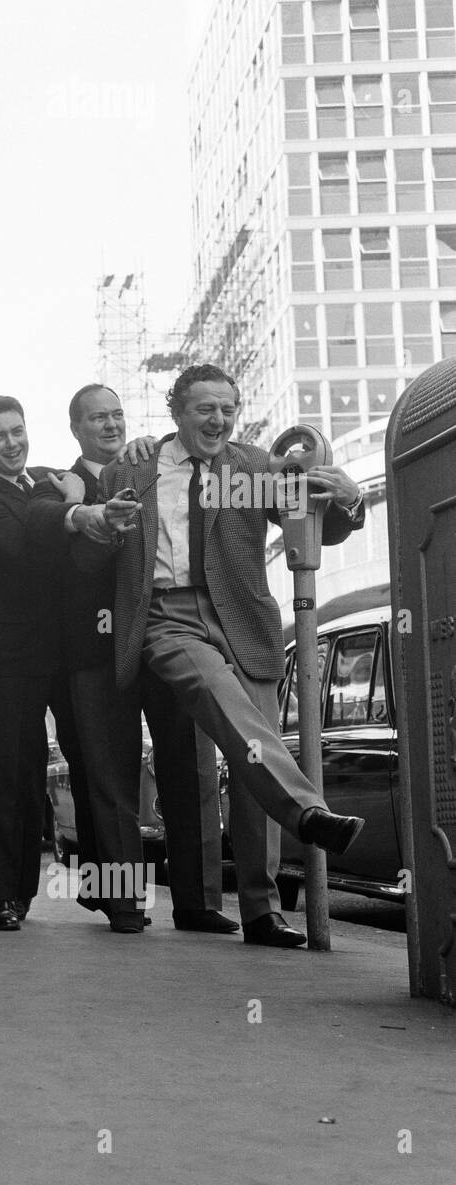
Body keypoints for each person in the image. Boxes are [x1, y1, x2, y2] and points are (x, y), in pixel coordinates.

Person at [79, 363, 367, 949]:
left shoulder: (253, 466)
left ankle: (261, 913)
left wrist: (350, 498)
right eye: (204, 409)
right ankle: (309, 814)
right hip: (163, 617)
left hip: (243, 620)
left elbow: (314, 524)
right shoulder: (131, 467)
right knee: (220, 698)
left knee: (251, 744)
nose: (218, 419)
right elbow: (96, 546)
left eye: (227, 409)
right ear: (177, 412)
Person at [59, 384, 230, 935]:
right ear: (76, 429)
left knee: (187, 764)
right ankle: (125, 902)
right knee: (113, 776)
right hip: (95, 649)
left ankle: (198, 903)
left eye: (116, 416)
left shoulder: (153, 462)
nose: (110, 426)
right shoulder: (62, 486)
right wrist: (78, 507)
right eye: (96, 419)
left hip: (164, 634)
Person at [0, 395, 116, 932]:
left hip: (70, 650)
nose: (12, 443)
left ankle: (107, 892)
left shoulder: (52, 480)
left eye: (17, 430)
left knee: (93, 765)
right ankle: (7, 896)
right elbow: (24, 546)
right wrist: (71, 506)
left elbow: (105, 486)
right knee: (13, 774)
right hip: (10, 658)